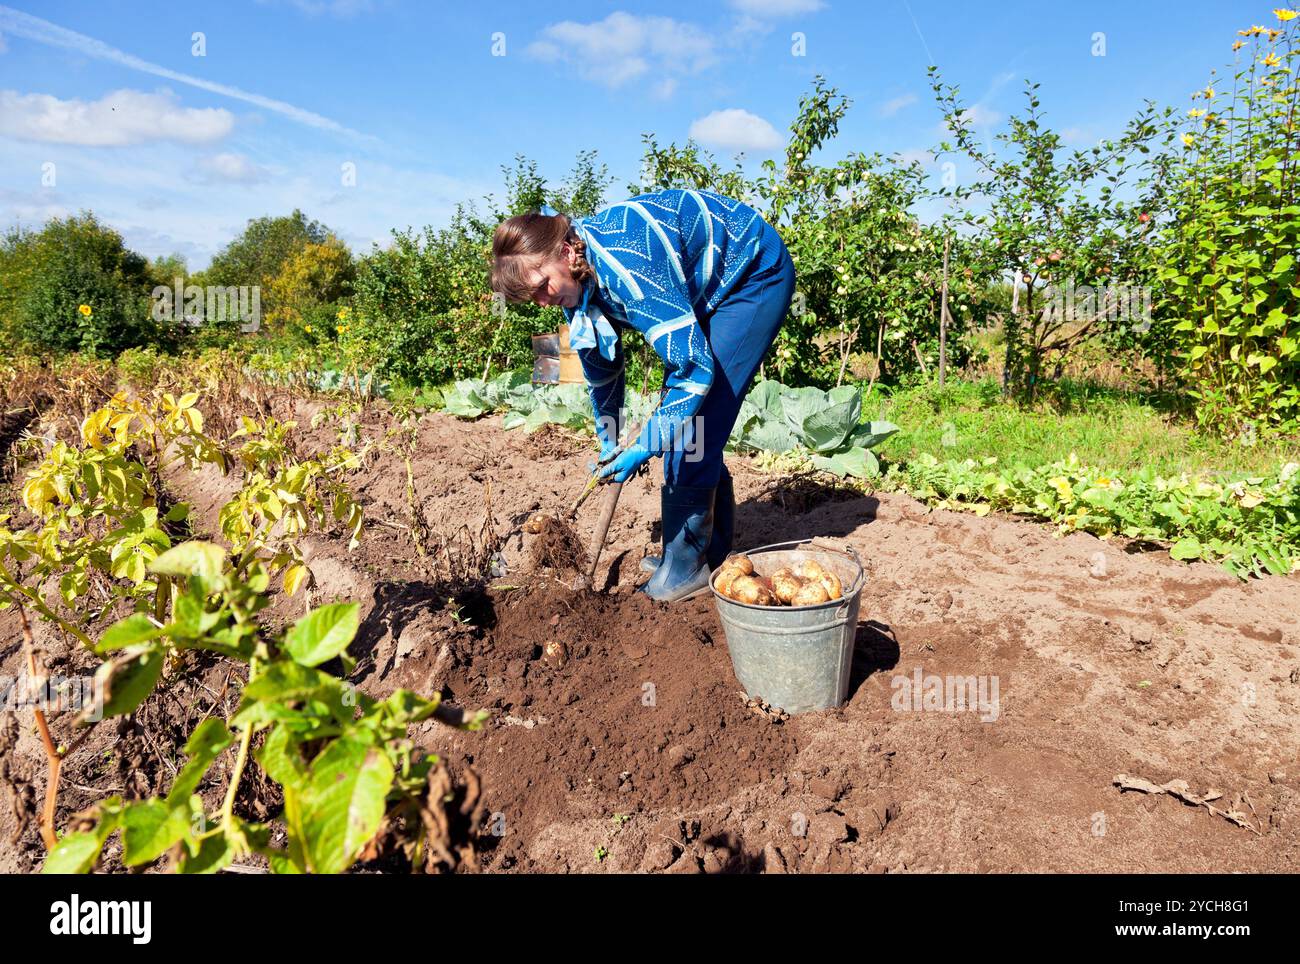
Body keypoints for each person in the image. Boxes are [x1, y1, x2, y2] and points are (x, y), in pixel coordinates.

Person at [490, 188, 795, 601]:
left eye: (543, 285)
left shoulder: (627, 268)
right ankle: (707, 552)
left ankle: (685, 567)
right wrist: (609, 437)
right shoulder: (576, 280)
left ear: (566, 251)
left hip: (752, 275)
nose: (544, 301)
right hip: (705, 289)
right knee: (689, 425)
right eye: (534, 297)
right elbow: (600, 366)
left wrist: (645, 446)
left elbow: (693, 371)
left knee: (695, 425)